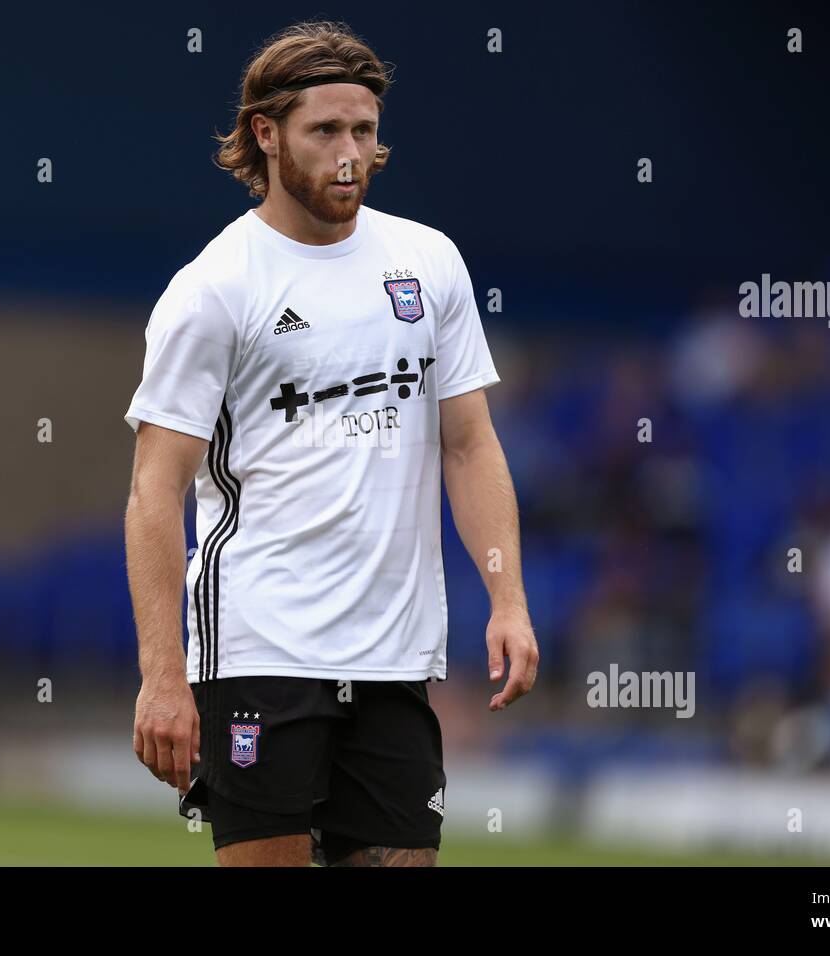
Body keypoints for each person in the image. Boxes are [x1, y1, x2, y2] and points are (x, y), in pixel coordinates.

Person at [124, 20, 537, 867]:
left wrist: (509, 599)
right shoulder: (215, 288)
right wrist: (164, 673)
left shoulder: (429, 263)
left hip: (394, 656)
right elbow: (154, 491)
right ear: (267, 135)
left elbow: (469, 446)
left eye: (364, 131)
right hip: (258, 647)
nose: (350, 154)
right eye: (325, 132)